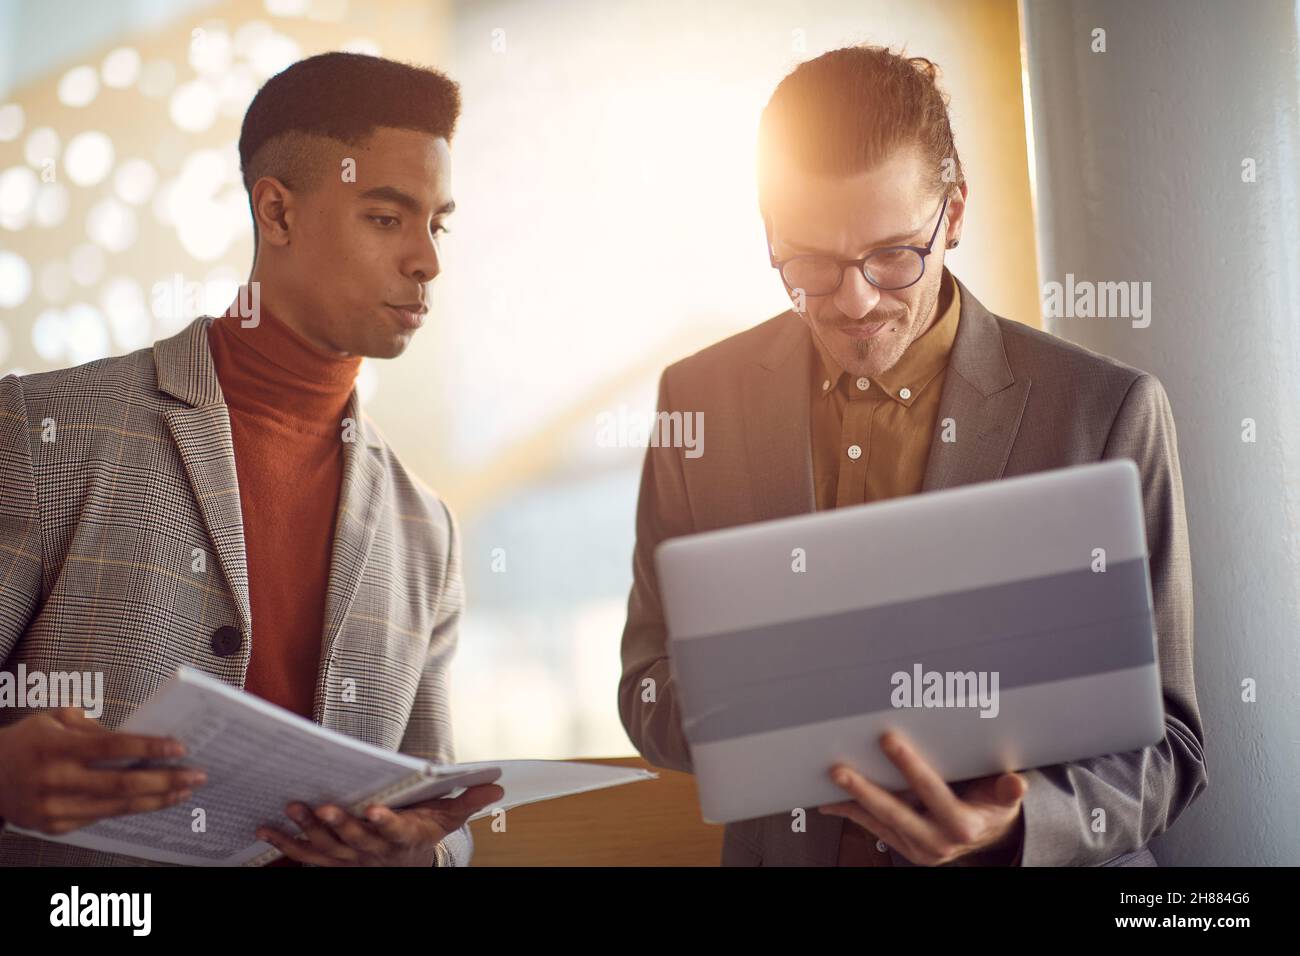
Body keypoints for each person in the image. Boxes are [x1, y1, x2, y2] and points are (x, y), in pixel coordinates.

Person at [618, 44, 1207, 866]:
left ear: (954, 214)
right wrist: (767, 714)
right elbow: (645, 685)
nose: (855, 301)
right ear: (769, 231)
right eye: (811, 263)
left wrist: (1014, 825)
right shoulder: (700, 399)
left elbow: (1169, 746)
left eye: (894, 254)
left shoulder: (1105, 414)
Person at [0, 51, 501, 866]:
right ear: (277, 213)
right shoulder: (42, 428)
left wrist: (417, 854)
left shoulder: (425, 530)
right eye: (387, 217)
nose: (427, 260)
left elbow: (441, 810)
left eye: (435, 223)